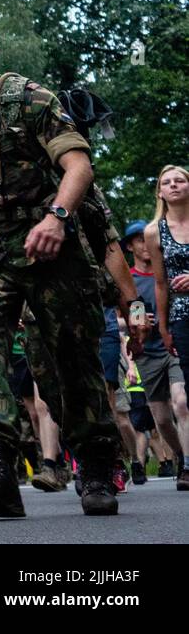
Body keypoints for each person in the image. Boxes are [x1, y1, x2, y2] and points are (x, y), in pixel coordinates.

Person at [0, 7, 121, 518]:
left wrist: (58, 217)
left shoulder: (31, 99)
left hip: (49, 243)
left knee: (70, 358)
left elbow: (78, 164)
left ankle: (98, 464)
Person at [138, 172, 189, 489]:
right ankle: (186, 463)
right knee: (182, 401)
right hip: (182, 317)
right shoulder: (154, 232)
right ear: (159, 192)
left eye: (180, 180)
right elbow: (159, 283)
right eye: (166, 182)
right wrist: (165, 326)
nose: (173, 185)